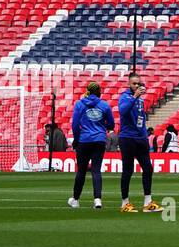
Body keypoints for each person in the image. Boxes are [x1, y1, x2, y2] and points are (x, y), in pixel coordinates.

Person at [117, 74, 160, 214]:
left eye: (139, 83)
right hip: (127, 138)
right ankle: (125, 203)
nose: (137, 86)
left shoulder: (141, 100)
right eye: (134, 83)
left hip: (140, 138)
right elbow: (122, 111)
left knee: (148, 168)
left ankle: (148, 202)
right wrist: (135, 96)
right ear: (129, 84)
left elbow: (140, 118)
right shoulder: (125, 97)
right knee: (128, 170)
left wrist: (144, 135)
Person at [68, 81, 114, 209]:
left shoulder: (79, 104)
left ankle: (76, 200)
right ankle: (97, 199)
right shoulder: (104, 105)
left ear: (87, 91)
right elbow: (111, 124)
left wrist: (76, 139)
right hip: (99, 140)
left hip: (84, 140)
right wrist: (102, 127)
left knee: (81, 171)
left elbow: (75, 125)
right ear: (99, 92)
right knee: (96, 170)